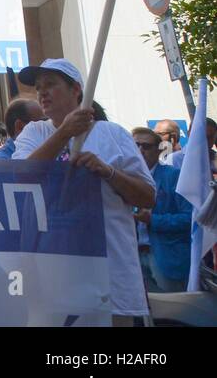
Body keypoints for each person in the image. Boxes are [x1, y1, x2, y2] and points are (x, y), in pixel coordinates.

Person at [12, 59, 155, 325]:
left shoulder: (113, 134)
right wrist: (65, 131)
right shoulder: (35, 132)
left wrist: (109, 173)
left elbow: (147, 197)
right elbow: (21, 176)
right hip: (51, 277)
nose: (42, 92)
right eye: (38, 87)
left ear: (76, 89)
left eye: (51, 85)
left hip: (111, 280)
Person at [130, 127, 192, 293]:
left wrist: (153, 220)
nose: (140, 150)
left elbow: (190, 218)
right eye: (135, 145)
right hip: (133, 257)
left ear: (159, 151)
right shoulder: (124, 178)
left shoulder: (173, 176)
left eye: (146, 146)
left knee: (173, 314)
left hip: (166, 257)